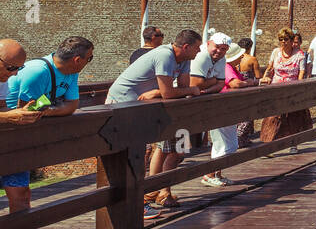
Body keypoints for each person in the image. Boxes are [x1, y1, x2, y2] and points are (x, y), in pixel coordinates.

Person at [0, 36, 94, 229]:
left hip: (5, 145)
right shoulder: (30, 72)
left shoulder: (1, 77)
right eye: (11, 68)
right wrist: (8, 117)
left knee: (22, 195)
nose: (15, 74)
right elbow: (0, 116)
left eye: (18, 68)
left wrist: (19, 114)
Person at [106, 29, 203, 214]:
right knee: (131, 157)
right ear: (186, 46)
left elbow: (181, 88)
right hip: (122, 105)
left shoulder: (184, 60)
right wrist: (187, 91)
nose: (199, 52)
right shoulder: (164, 55)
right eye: (197, 48)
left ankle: (153, 194)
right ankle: (138, 205)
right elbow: (175, 92)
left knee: (173, 150)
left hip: (143, 108)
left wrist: (165, 92)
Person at [192, 33, 248, 187]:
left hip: (215, 102)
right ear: (209, 43)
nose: (219, 51)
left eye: (223, 49)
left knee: (224, 143)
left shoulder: (221, 60)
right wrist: (211, 83)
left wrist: (209, 86)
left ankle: (215, 174)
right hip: (197, 105)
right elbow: (196, 83)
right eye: (217, 47)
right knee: (177, 151)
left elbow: (219, 84)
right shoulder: (202, 56)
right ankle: (209, 174)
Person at [259, 27, 310, 151]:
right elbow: (270, 68)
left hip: (291, 90)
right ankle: (268, 146)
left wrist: (299, 88)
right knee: (272, 117)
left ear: (292, 40)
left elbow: (301, 73)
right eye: (281, 39)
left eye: (286, 39)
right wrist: (264, 78)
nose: (283, 42)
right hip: (276, 89)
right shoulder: (276, 52)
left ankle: (293, 144)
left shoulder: (299, 55)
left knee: (292, 118)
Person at [230, 38, 263, 147]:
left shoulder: (233, 61)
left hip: (234, 89)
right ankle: (241, 138)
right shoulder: (252, 59)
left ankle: (236, 138)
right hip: (248, 87)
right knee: (249, 113)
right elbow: (258, 77)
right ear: (250, 47)